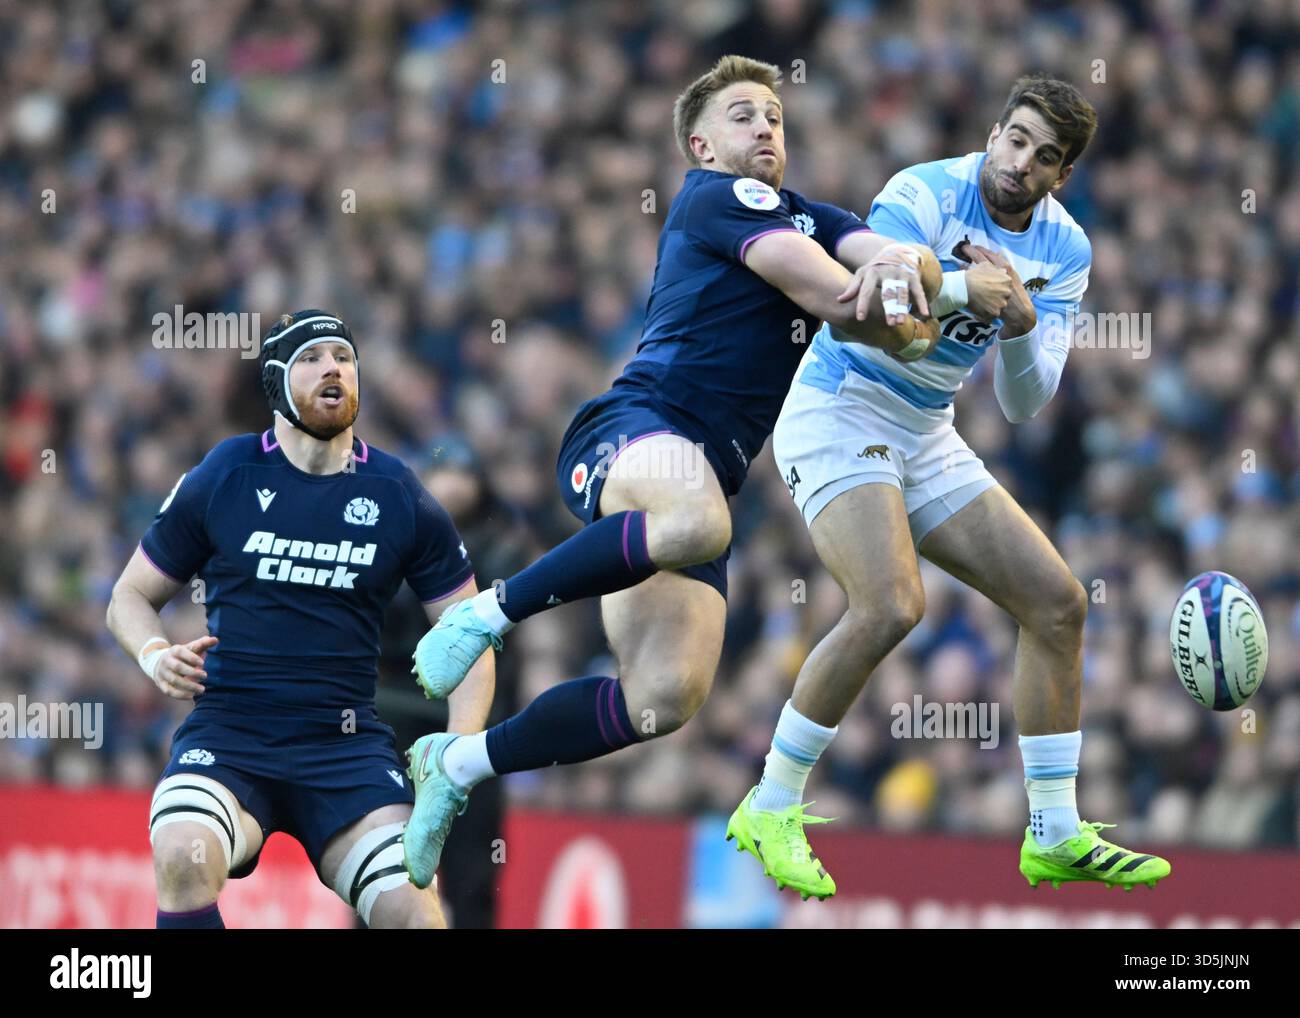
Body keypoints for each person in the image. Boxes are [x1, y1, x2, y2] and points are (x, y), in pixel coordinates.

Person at [399, 54, 945, 889]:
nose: (765, 127)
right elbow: (852, 306)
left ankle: (458, 765)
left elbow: (899, 278)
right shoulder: (717, 198)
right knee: (700, 522)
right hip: (637, 428)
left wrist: (927, 277)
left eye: (774, 116)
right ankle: (489, 612)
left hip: (699, 475)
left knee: (662, 699)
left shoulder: (817, 216)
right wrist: (912, 293)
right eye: (742, 116)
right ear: (701, 145)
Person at [727, 75, 1171, 898]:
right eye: (1015, 140)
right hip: (840, 405)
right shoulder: (921, 192)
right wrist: (970, 289)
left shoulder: (1066, 249)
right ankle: (771, 802)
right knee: (891, 603)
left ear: (1062, 175)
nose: (1020, 164)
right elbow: (878, 316)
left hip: (927, 428)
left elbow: (1023, 403)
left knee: (1059, 603)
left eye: (1044, 158)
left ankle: (1054, 830)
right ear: (994, 130)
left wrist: (1020, 327)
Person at [105, 309, 494, 928]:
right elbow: (128, 596)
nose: (332, 367)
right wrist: (154, 655)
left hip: (347, 750)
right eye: (312, 358)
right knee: (182, 855)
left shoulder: (399, 492)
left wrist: (457, 749)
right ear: (277, 381)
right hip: (230, 737)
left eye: (343, 355)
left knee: (417, 916)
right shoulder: (226, 472)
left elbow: (473, 631)